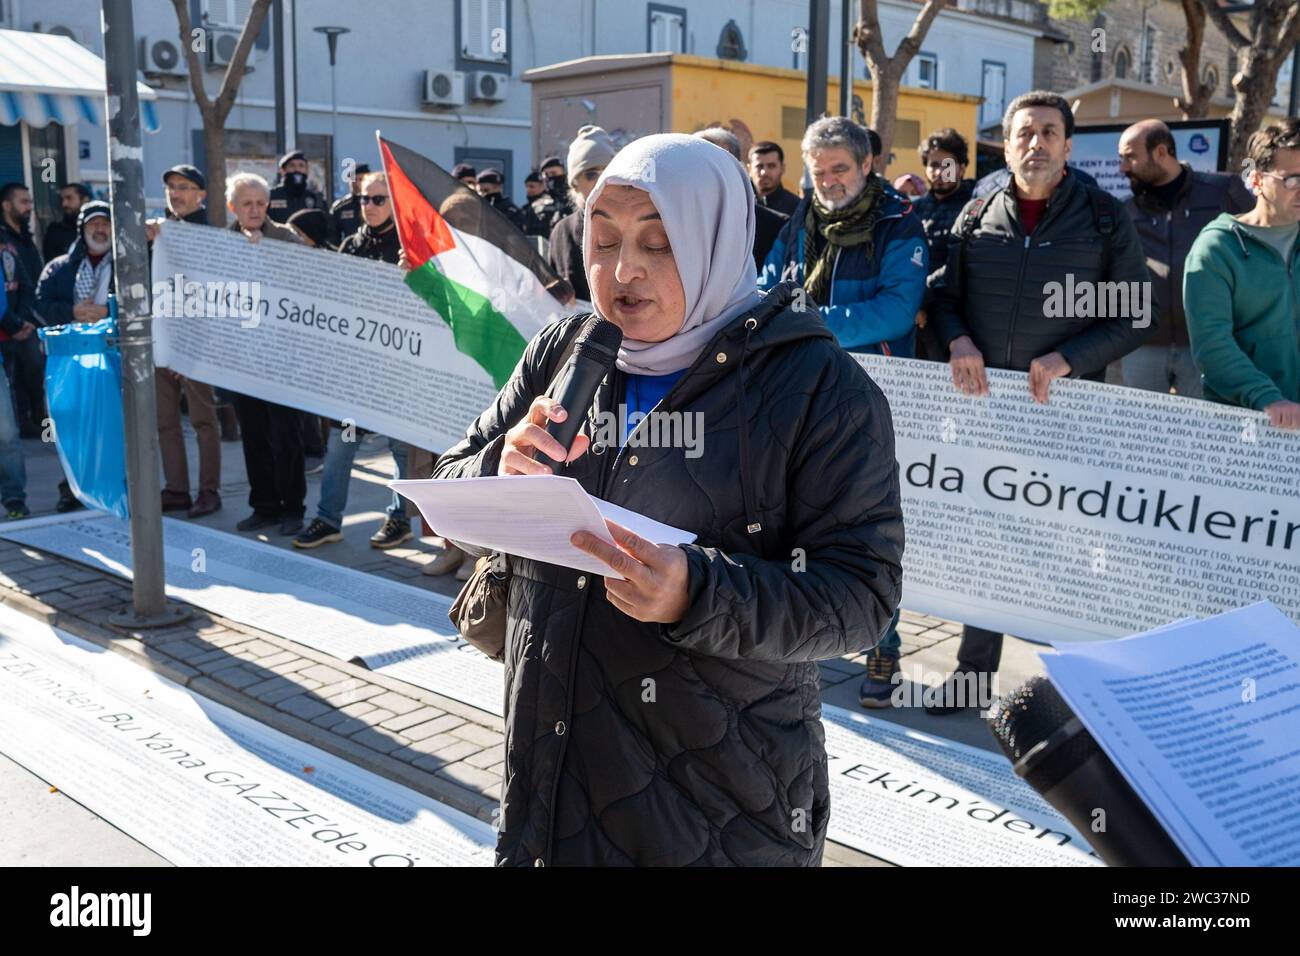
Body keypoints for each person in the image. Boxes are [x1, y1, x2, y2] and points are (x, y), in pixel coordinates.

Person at [433, 133, 903, 866]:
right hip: (548, 768)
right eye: (605, 238)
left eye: (660, 244)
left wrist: (701, 592)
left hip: (720, 799)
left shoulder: (818, 388)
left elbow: (862, 596)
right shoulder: (565, 349)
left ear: (716, 243)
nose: (624, 272)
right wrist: (499, 465)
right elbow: (454, 481)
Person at [927, 91, 1157, 713]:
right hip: (986, 413)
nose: (1036, 143)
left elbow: (1136, 313)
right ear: (1006, 143)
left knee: (1066, 550)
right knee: (987, 543)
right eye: (1024, 132)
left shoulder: (1105, 217)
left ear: (1068, 146)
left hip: (1064, 416)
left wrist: (1069, 359)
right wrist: (958, 339)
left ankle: (1075, 693)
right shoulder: (976, 212)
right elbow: (942, 296)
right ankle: (971, 676)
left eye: (1049, 132)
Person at [759, 116, 926, 707]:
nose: (827, 180)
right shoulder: (798, 223)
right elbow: (768, 285)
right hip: (797, 388)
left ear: (866, 166)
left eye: (840, 169)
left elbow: (896, 311)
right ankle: (810, 631)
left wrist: (807, 323)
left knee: (867, 526)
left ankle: (884, 638)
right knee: (797, 518)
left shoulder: (898, 222)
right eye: (818, 169)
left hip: (871, 395)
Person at [295, 171, 420, 551]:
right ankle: (328, 519)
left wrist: (416, 277)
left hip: (398, 372)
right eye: (364, 199)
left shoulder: (410, 247)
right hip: (359, 374)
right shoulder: (350, 244)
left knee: (400, 449)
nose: (369, 206)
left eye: (379, 199)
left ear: (394, 204)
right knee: (341, 444)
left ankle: (399, 519)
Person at [1119, 119, 1255, 398]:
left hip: (1206, 344)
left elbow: (1260, 246)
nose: (1123, 168)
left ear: (1161, 152)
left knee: (1201, 431)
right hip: (1142, 343)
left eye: (1130, 157)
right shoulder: (1125, 211)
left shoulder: (1223, 191)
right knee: (1141, 430)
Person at [1185, 120, 1300, 429]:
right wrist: (1268, 398)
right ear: (1258, 180)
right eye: (1292, 180)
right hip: (1244, 426)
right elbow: (1212, 345)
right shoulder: (1216, 249)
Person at [224, 172, 307, 535]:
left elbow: (305, 286)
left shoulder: (287, 238)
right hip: (243, 357)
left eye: (261, 202)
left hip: (283, 356)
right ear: (233, 207)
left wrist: (264, 256)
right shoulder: (220, 241)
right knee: (254, 434)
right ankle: (264, 505)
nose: (256, 209)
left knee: (286, 436)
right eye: (247, 203)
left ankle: (293, 508)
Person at [146, 165, 224, 519]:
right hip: (158, 339)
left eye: (184, 187)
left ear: (201, 194)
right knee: (164, 421)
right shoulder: (158, 231)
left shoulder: (210, 235)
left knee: (203, 421)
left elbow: (212, 298)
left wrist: (188, 346)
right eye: (170, 187)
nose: (175, 194)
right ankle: (176, 489)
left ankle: (209, 492)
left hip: (196, 344)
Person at [36, 200, 117, 514]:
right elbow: (40, 306)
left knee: (110, 424)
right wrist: (71, 312)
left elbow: (143, 300)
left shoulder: (128, 265)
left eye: (106, 224)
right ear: (82, 230)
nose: (100, 230)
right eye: (93, 225)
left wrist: (108, 311)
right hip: (69, 362)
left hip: (111, 358)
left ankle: (112, 483)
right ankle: (72, 488)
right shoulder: (59, 267)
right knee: (70, 425)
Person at [912, 128, 976, 362]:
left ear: (961, 167)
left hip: (960, 318)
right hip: (916, 314)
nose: (939, 172)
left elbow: (961, 261)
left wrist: (922, 297)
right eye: (933, 165)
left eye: (946, 165)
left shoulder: (976, 206)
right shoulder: (914, 209)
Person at [694, 127, 788, 271]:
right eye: (699, 163)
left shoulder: (776, 225)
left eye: (716, 162)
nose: (708, 172)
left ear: (737, 168)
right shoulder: (672, 219)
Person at [548, 125, 619, 304]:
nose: (602, 180)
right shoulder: (562, 231)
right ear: (575, 184)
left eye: (608, 171)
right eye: (591, 174)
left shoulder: (632, 224)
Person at [0, 185, 36, 518]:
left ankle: (13, 496)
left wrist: (17, 322)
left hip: (8, 342)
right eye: (23, 201)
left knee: (7, 430)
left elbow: (22, 283)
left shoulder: (11, 242)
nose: (29, 207)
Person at [1, 182, 46, 439]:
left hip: (27, 320)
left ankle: (36, 416)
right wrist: (13, 323)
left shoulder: (26, 240)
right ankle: (21, 419)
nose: (29, 207)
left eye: (30, 202)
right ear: (7, 205)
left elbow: (31, 282)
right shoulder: (3, 240)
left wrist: (26, 319)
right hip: (8, 324)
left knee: (33, 367)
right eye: (23, 202)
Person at [268, 150, 326, 225]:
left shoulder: (316, 198)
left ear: (307, 171)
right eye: (292, 166)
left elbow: (326, 226)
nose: (297, 169)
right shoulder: (271, 196)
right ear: (283, 171)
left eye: (301, 166)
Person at [749, 140, 801, 216]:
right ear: (749, 169)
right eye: (759, 166)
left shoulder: (797, 207)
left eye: (771, 166)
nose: (764, 172)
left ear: (782, 168)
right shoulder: (740, 202)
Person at [42, 182, 91, 261]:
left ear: (84, 200)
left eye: (69, 198)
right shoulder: (55, 231)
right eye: (62, 199)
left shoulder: (97, 227)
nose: (64, 204)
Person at [328, 162, 369, 246]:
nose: (357, 184)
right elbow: (332, 237)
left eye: (361, 179)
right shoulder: (340, 207)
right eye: (353, 180)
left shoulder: (379, 202)